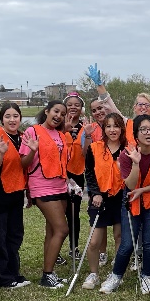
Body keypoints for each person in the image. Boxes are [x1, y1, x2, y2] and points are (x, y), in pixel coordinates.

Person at [101, 114, 150, 294]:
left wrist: (144, 190)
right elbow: (130, 185)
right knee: (127, 243)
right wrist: (136, 164)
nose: (148, 133)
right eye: (143, 129)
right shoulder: (127, 154)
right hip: (131, 200)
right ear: (136, 134)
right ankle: (116, 276)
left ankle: (146, 277)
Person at [19, 101, 71, 289]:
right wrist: (32, 150)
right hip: (42, 187)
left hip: (60, 186)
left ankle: (49, 273)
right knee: (62, 229)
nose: (59, 116)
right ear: (47, 111)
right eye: (56, 111)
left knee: (52, 231)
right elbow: (23, 164)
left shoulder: (61, 135)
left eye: (62, 113)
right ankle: (47, 275)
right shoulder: (32, 132)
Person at [0, 103, 29, 289]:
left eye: (15, 116)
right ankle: (0, 277)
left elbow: (24, 165)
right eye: (8, 116)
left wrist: (32, 150)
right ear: (1, 120)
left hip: (16, 194)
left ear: (20, 118)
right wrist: (1, 153)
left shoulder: (23, 138)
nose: (12, 119)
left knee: (14, 235)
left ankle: (13, 273)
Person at [81, 112, 126, 289]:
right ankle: (94, 274)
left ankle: (116, 273)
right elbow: (89, 173)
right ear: (103, 129)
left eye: (116, 126)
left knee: (119, 237)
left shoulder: (128, 149)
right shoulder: (95, 148)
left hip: (120, 197)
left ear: (121, 128)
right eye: (108, 126)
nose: (112, 130)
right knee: (94, 241)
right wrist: (95, 192)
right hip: (100, 198)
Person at [61, 91, 88, 264]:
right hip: (58, 175)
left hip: (77, 174)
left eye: (76, 105)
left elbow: (86, 153)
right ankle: (55, 250)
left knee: (74, 212)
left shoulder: (86, 127)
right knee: (57, 214)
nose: (73, 107)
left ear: (81, 108)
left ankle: (74, 247)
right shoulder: (56, 125)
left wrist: (89, 135)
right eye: (69, 104)